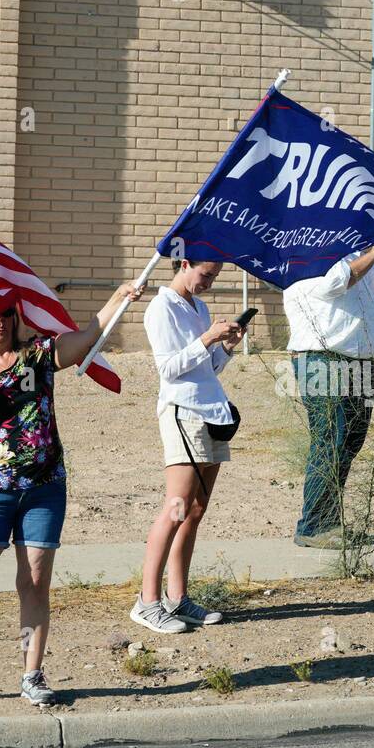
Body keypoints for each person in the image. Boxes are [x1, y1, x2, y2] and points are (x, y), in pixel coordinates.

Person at [0, 282, 143, 708]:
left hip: (43, 489)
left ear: (16, 319)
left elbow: (88, 336)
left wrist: (119, 297)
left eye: (5, 314)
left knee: (33, 584)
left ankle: (32, 674)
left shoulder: (38, 356)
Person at [134, 259, 245, 634]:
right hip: (183, 414)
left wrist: (225, 347)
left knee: (195, 509)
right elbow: (168, 369)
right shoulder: (161, 307)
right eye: (206, 274)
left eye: (215, 277)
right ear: (185, 264)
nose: (210, 282)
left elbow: (204, 367)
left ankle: (177, 597)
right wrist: (207, 338)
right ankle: (147, 602)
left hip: (211, 410)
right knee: (176, 507)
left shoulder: (199, 307)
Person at [282, 240, 374, 548]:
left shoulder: (360, 260)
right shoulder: (308, 255)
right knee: (330, 438)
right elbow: (335, 283)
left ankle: (329, 521)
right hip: (324, 360)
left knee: (349, 441)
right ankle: (314, 527)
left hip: (361, 362)